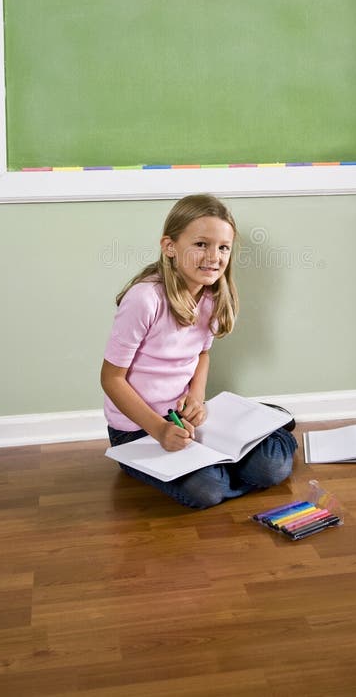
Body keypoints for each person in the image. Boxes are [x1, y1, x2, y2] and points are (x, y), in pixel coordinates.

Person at [101, 193, 297, 509]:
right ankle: (226, 465)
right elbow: (111, 379)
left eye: (223, 247)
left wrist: (196, 397)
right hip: (138, 429)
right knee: (206, 490)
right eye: (201, 244)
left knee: (271, 467)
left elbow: (201, 354)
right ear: (170, 247)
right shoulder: (145, 299)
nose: (213, 256)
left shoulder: (210, 298)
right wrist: (160, 430)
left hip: (185, 418)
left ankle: (266, 432)